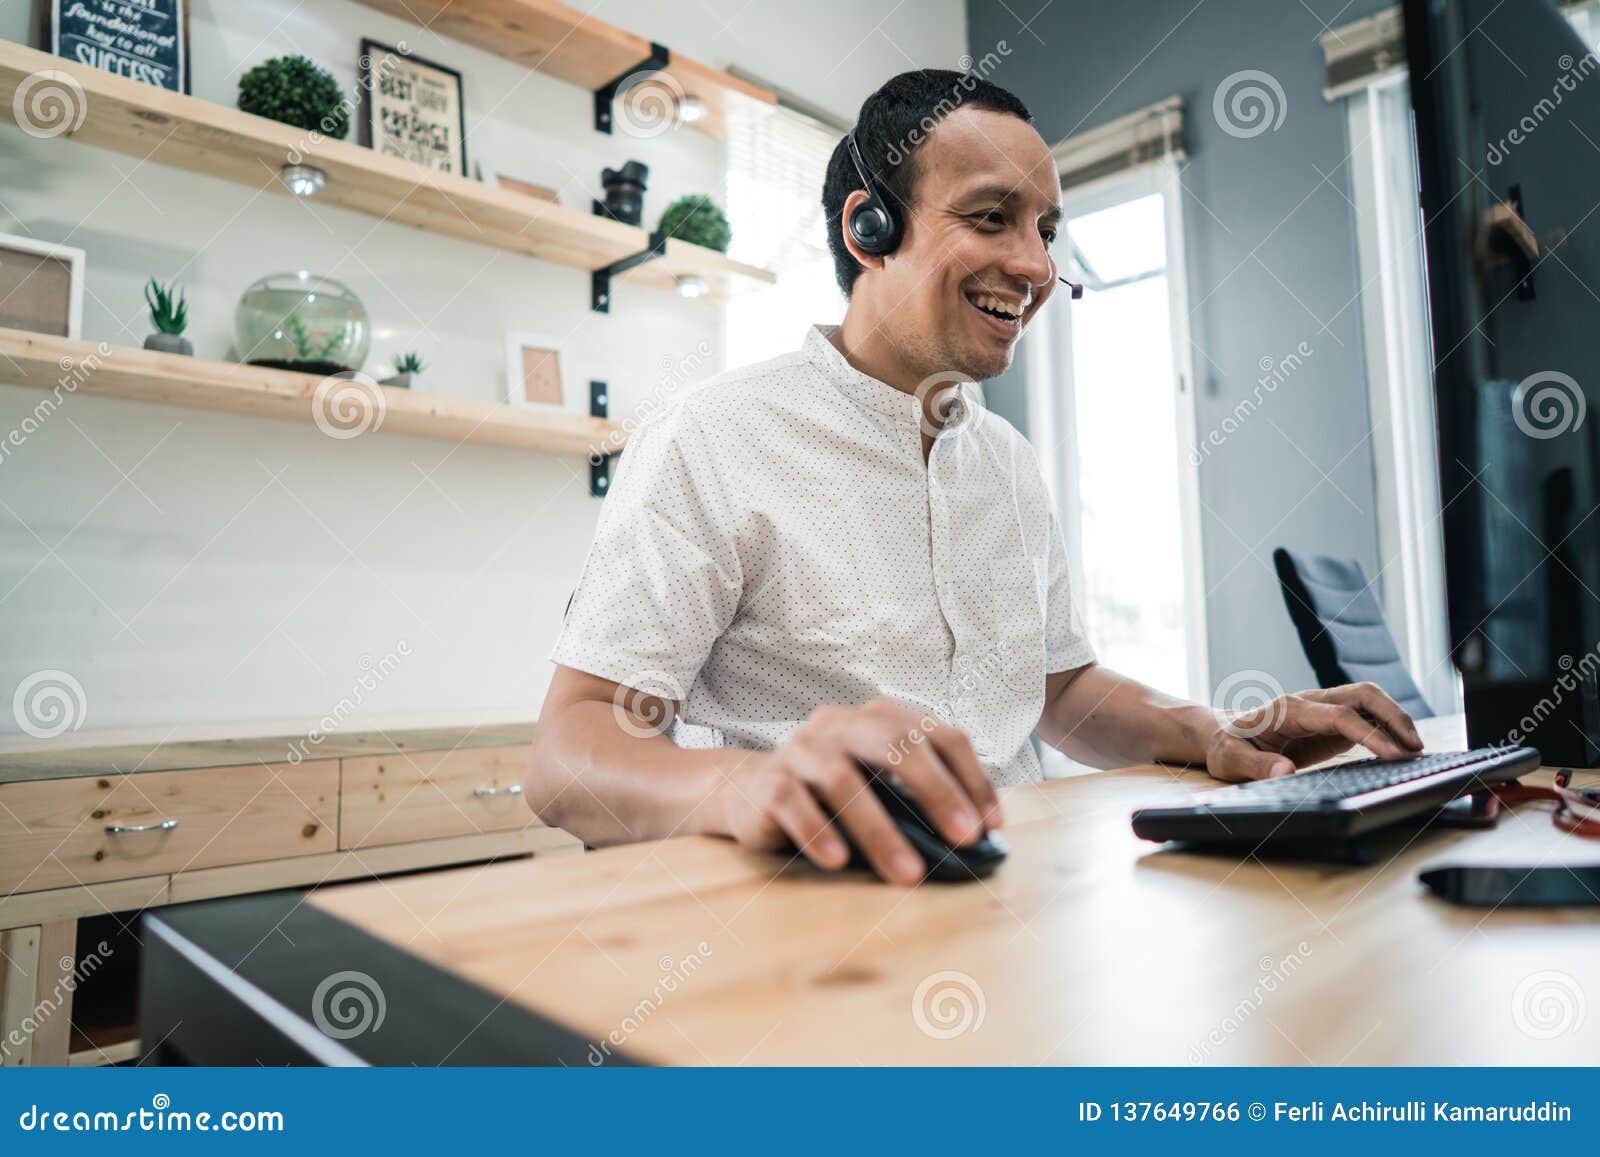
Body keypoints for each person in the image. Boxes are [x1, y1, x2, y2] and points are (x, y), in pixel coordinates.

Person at [524, 70, 1422, 885]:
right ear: (870, 230)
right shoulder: (711, 434)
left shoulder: (1006, 460)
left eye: (1044, 230)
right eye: (991, 218)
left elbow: (1060, 689)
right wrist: (746, 785)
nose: (1035, 267)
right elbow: (571, 751)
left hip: (1016, 887)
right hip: (814, 901)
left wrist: (1222, 731)